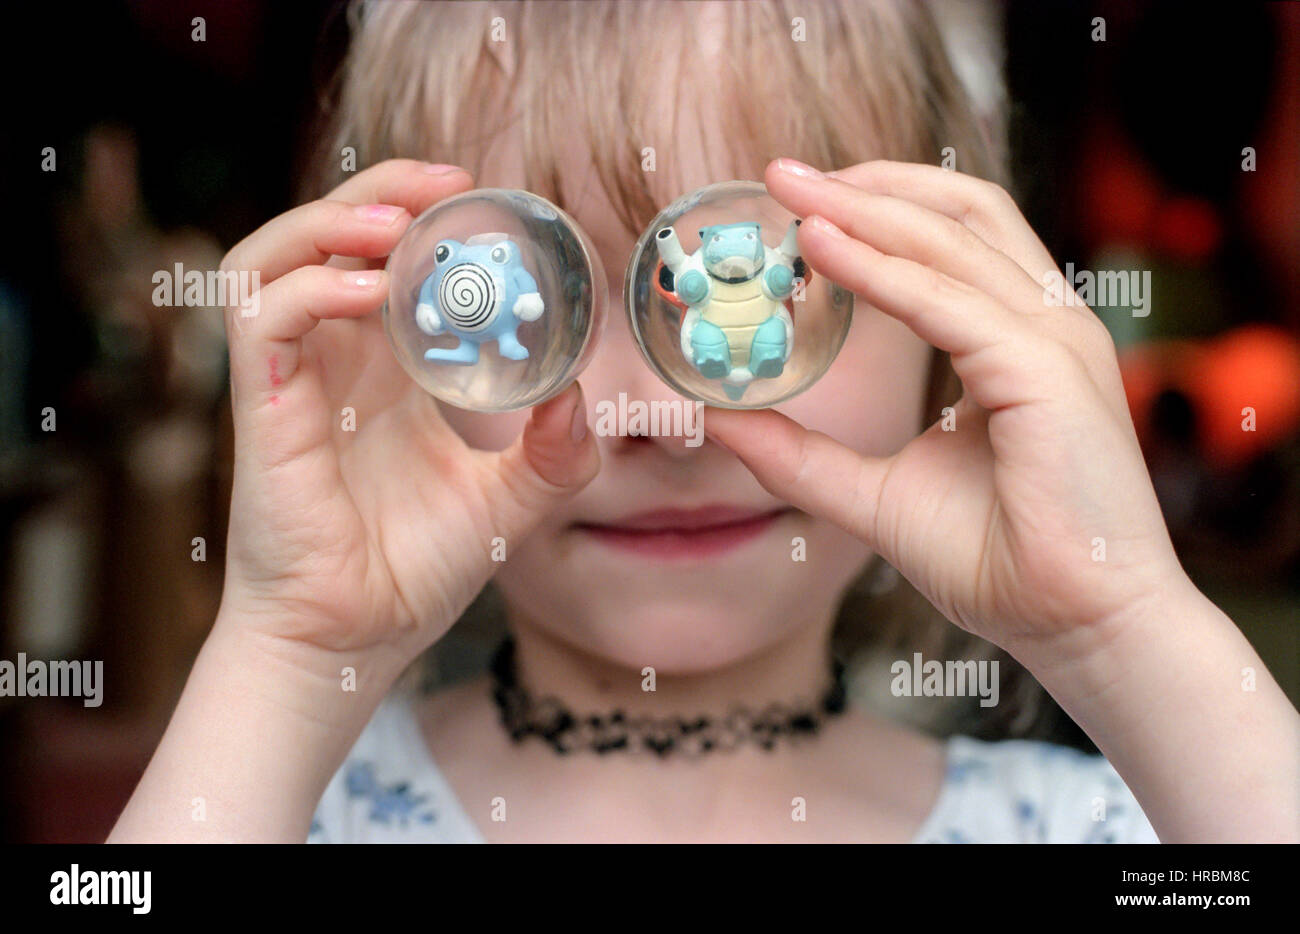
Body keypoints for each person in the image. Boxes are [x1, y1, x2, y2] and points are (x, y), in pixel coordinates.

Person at [110, 0, 1299, 844]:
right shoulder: (269, 810)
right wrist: (288, 656)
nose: (664, 420)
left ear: (945, 338)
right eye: (547, 305)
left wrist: (1119, 626)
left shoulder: (1106, 831)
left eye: (777, 295)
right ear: (394, 354)